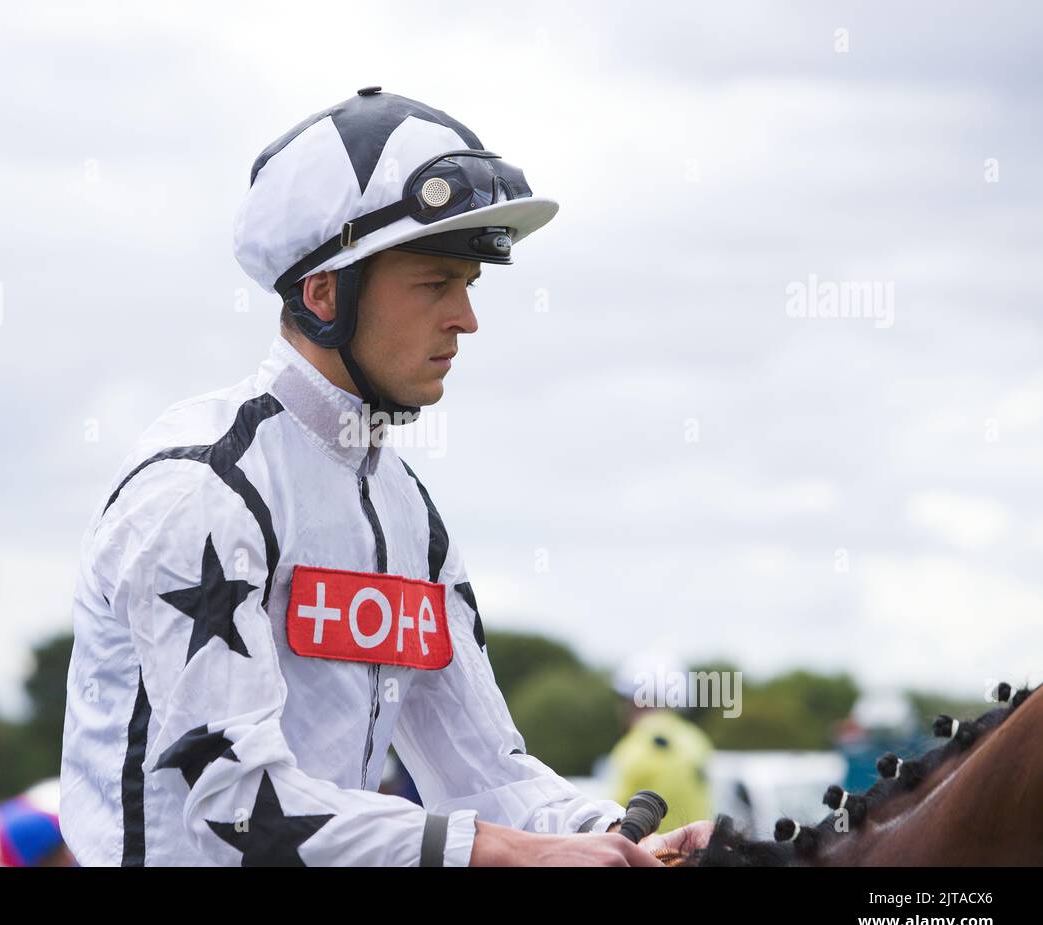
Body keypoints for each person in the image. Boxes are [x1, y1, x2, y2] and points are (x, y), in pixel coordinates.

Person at [60, 87, 712, 866]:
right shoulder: (204, 489)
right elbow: (240, 806)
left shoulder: (410, 515)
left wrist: (616, 837)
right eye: (436, 284)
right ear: (325, 293)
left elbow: (483, 774)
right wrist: (502, 854)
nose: (466, 320)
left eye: (469, 285)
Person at [605, 652, 713, 829]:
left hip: (647, 854)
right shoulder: (697, 740)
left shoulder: (637, 746)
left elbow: (607, 819)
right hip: (695, 851)